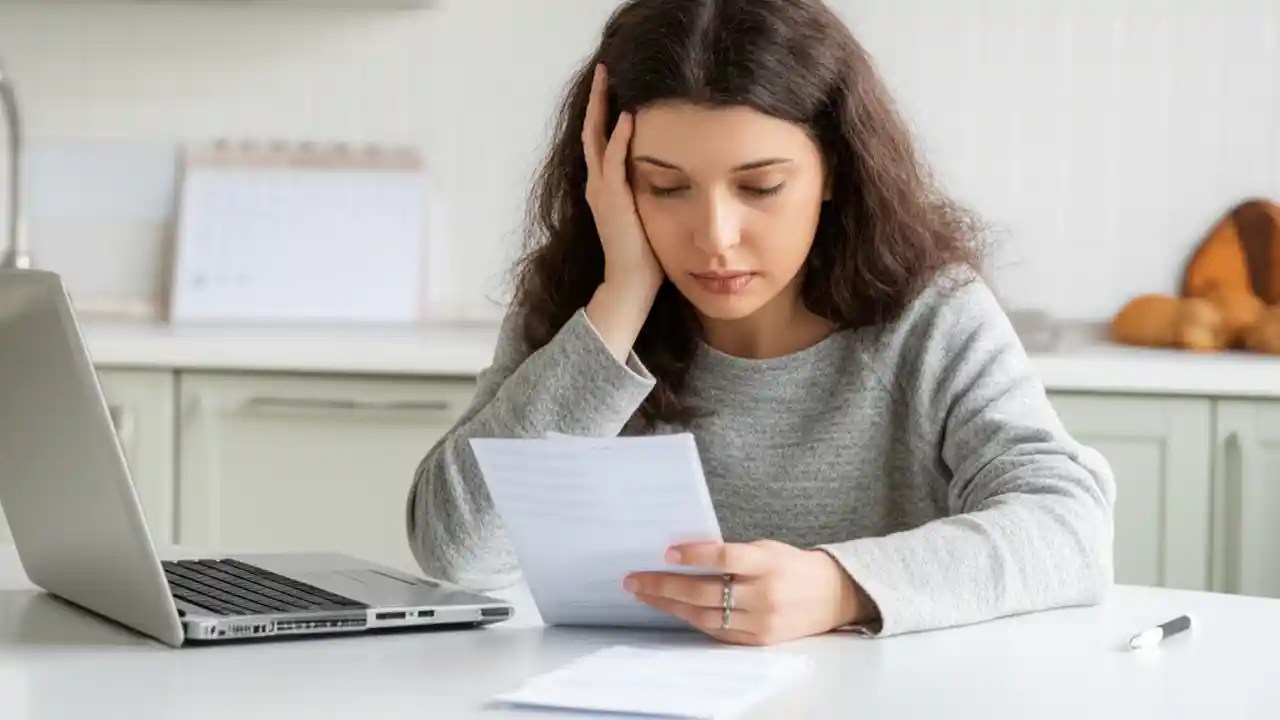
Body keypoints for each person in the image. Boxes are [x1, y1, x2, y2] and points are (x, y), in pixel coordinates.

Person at [406, 0, 1115, 645]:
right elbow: (459, 551)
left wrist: (839, 587)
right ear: (612, 180)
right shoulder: (581, 311)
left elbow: (1071, 528)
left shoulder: (931, 316)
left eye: (761, 187)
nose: (715, 236)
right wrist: (619, 303)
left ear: (834, 169)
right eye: (666, 186)